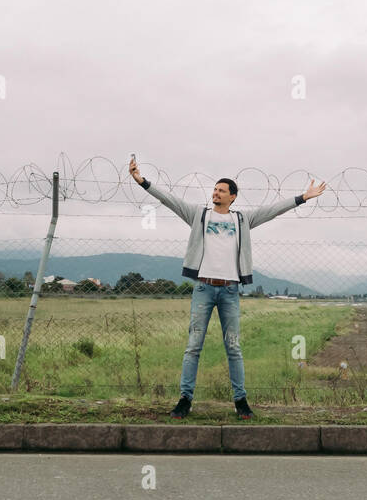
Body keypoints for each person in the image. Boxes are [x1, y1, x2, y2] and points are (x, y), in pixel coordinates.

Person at [129, 159, 326, 419]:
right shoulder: (199, 215)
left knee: (233, 347)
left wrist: (303, 197)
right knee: (193, 347)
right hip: (203, 289)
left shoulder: (242, 219)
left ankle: (240, 401)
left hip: (230, 292)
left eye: (222, 190)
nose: (216, 193)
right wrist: (142, 181)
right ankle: (185, 399)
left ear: (232, 197)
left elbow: (273, 210)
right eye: (214, 189)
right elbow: (170, 200)